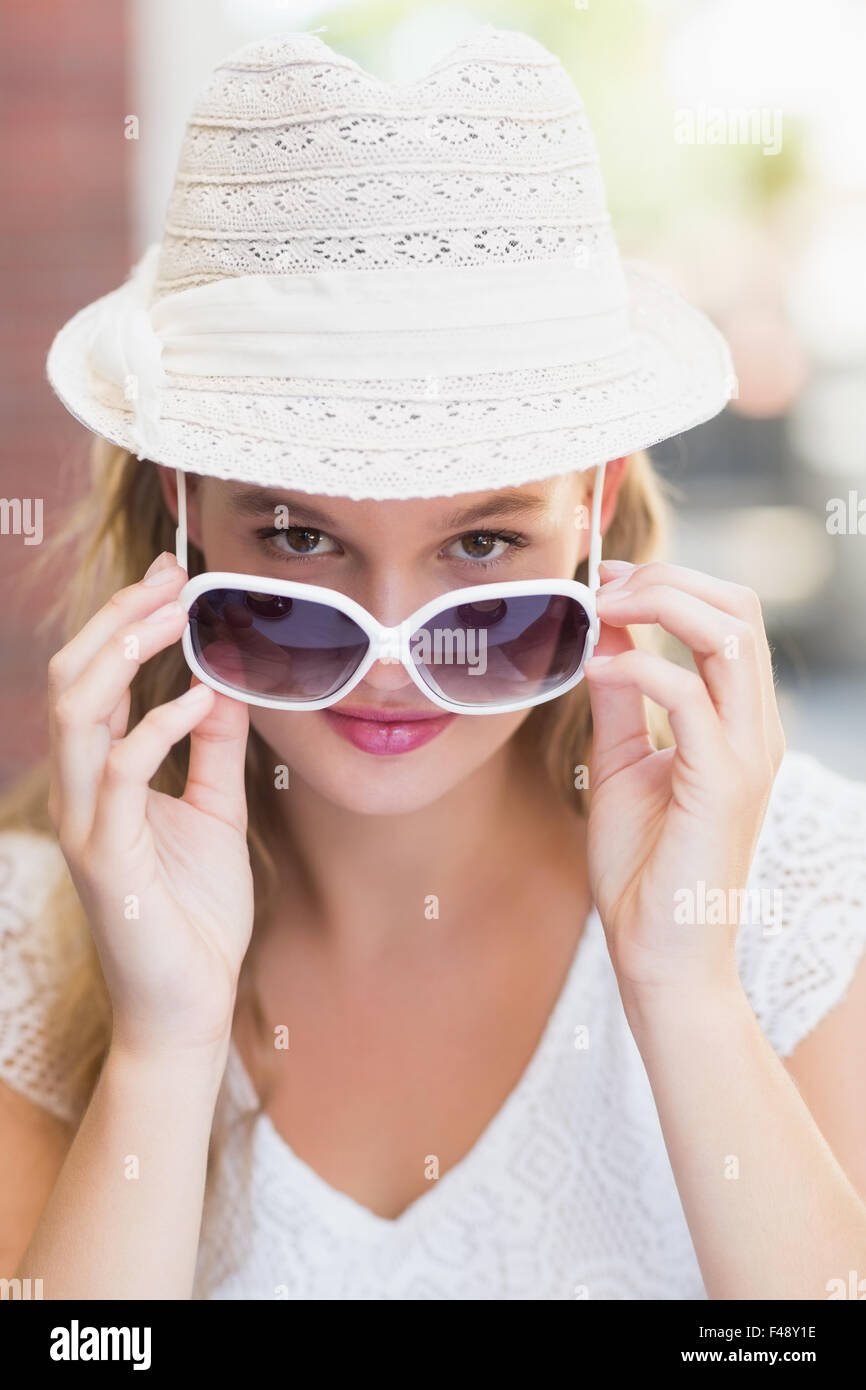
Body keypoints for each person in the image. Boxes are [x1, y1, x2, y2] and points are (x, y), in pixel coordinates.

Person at [1, 26, 865, 1301]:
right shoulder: (35, 936)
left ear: (595, 502)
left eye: (480, 539)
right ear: (183, 508)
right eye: (300, 536)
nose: (393, 649)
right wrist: (162, 1046)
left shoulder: (800, 889)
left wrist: (684, 988)